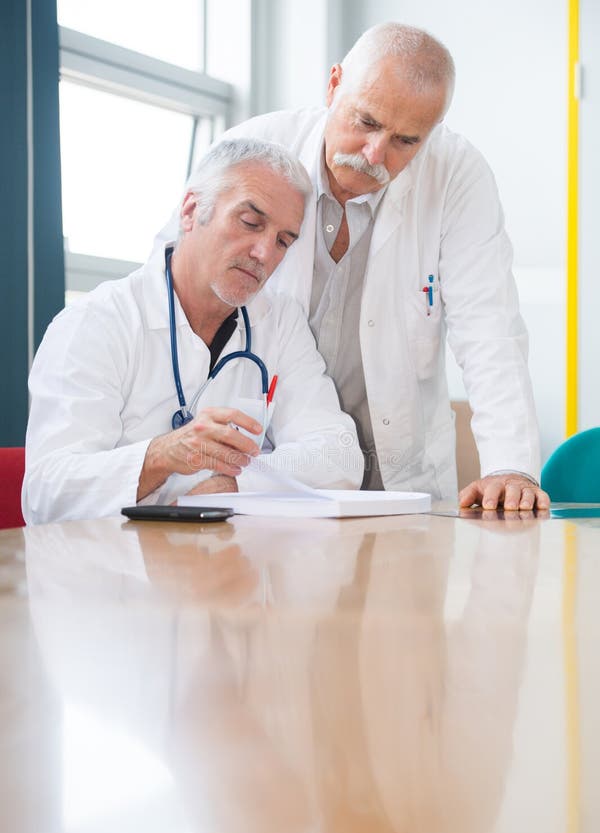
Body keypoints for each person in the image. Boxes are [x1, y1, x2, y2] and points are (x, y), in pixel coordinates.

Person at [157, 22, 550, 512]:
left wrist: (509, 466)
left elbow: (490, 329)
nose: (375, 156)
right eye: (366, 122)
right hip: (269, 471)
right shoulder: (257, 150)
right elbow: (172, 289)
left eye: (406, 141)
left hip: (401, 479)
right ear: (334, 83)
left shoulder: (455, 175)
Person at [22, 139, 363, 524]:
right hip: (118, 571)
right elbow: (46, 494)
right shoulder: (95, 322)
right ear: (190, 211)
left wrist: (233, 486)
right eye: (250, 223)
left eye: (283, 241)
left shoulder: (280, 321)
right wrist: (163, 455)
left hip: (233, 566)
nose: (265, 253)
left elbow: (340, 455)